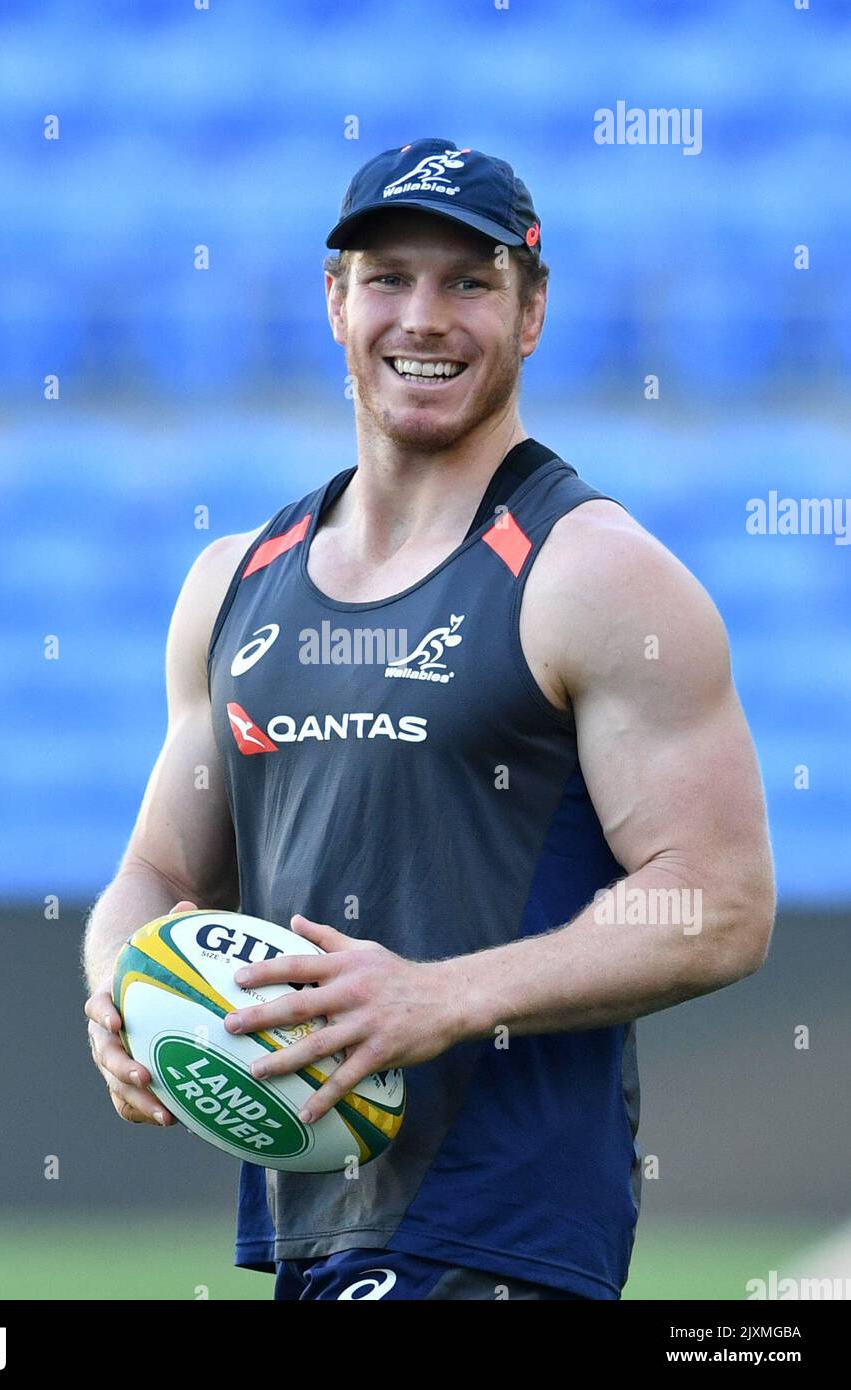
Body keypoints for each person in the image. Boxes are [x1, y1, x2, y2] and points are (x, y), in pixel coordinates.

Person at [83, 137, 775, 1301]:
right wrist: (119, 986)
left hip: (498, 1231)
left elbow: (721, 905)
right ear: (336, 299)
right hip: (312, 1218)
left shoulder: (593, 574)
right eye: (391, 277)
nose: (427, 317)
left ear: (533, 309)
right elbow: (156, 870)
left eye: (470, 282)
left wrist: (439, 997)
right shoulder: (234, 580)